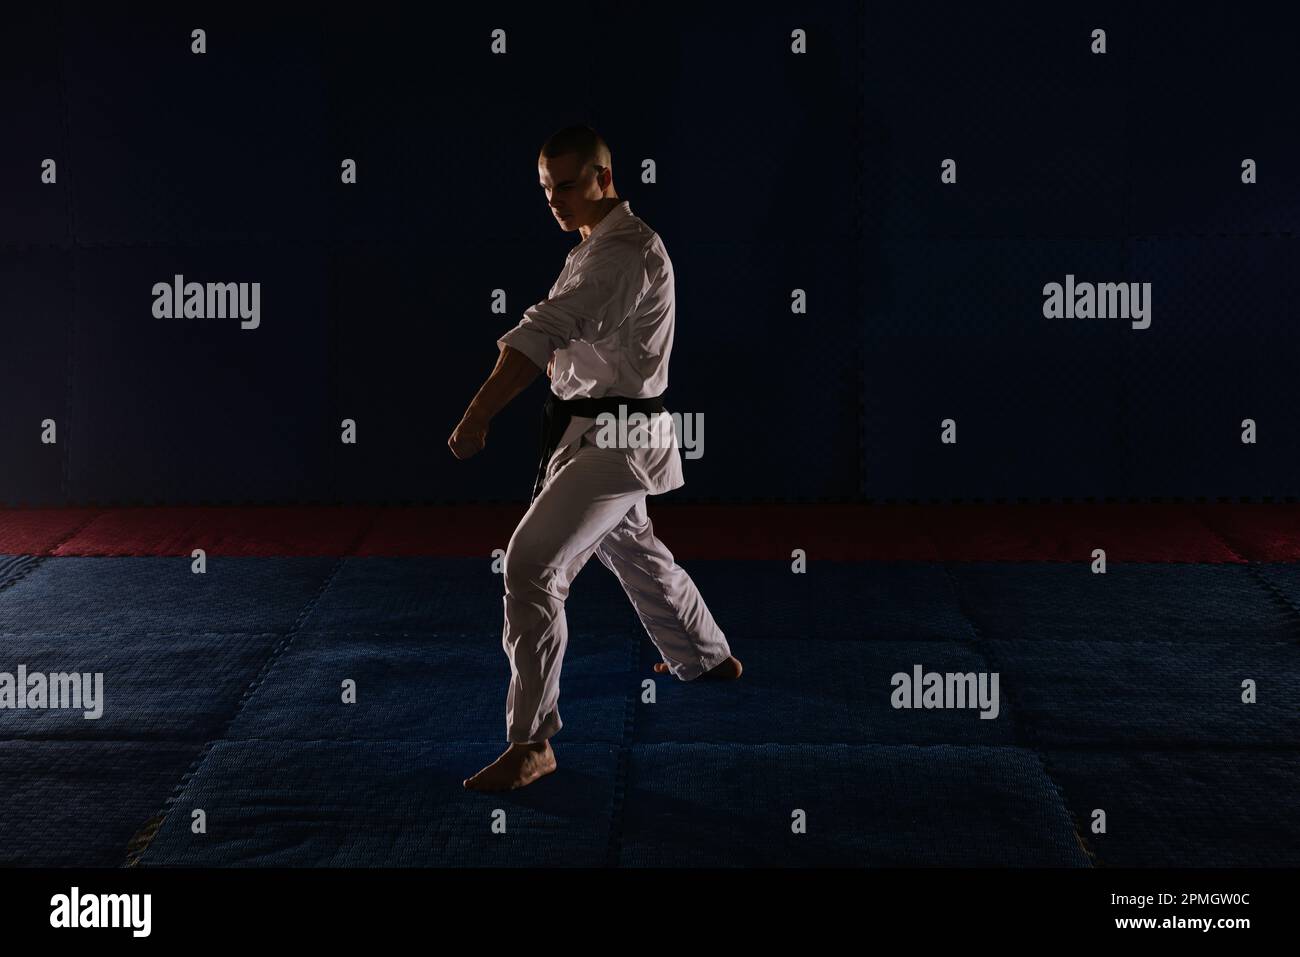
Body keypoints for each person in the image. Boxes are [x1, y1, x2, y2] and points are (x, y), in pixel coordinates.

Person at [448, 125, 742, 791]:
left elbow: (545, 330)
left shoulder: (625, 255)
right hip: (589, 437)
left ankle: (532, 744)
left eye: (570, 185)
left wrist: (478, 411)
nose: (555, 199)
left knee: (529, 567)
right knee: (638, 552)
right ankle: (706, 654)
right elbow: (559, 341)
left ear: (605, 178)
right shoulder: (593, 246)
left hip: (616, 442)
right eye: (547, 188)